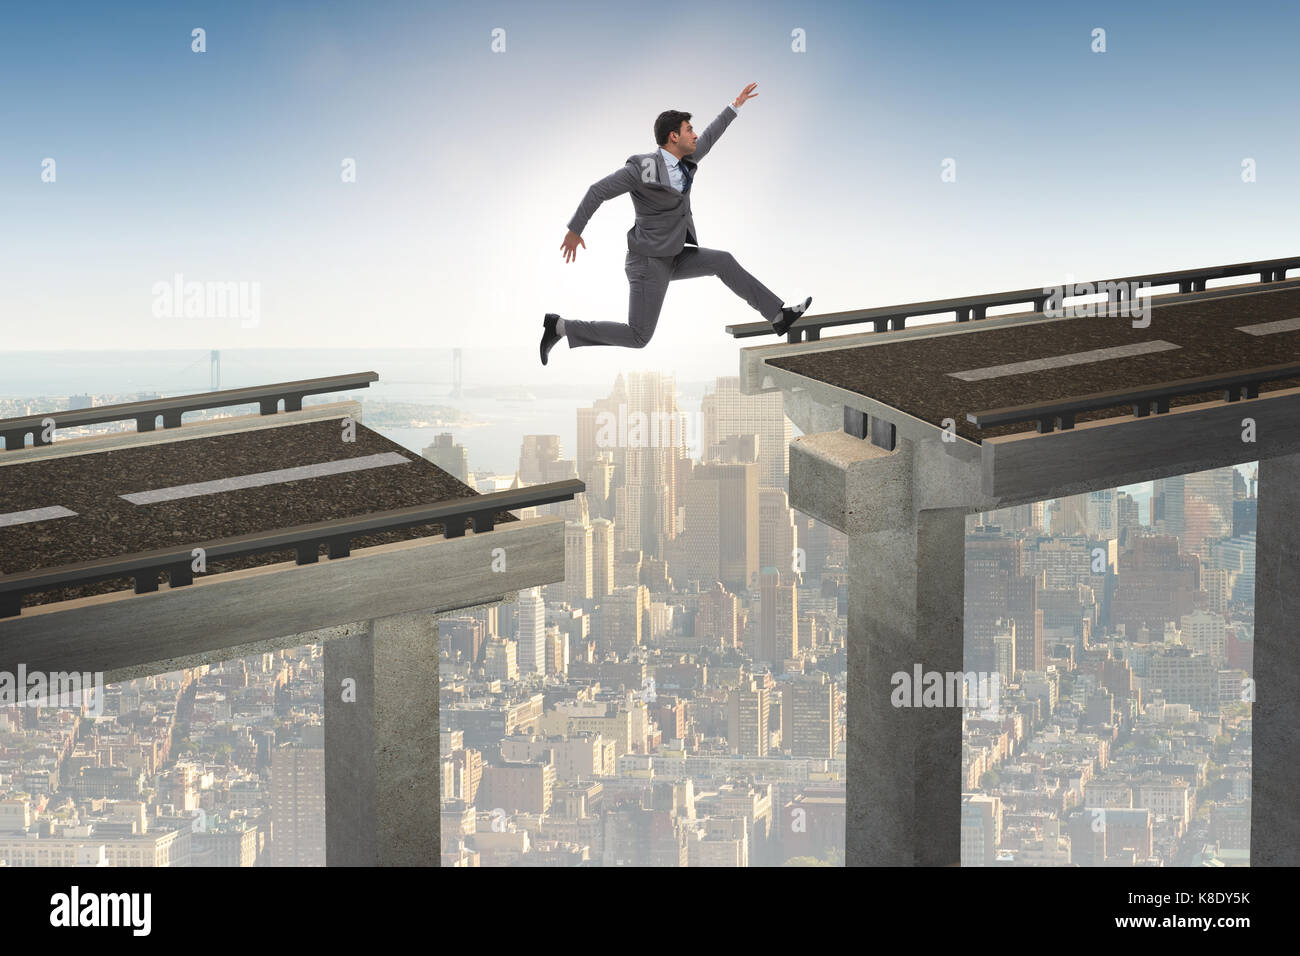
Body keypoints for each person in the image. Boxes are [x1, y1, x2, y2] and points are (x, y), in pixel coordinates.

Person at [540, 82, 811, 365]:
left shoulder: (687, 158)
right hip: (647, 262)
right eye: (689, 130)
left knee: (723, 261)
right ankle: (559, 326)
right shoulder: (643, 168)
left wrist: (736, 105)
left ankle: (779, 316)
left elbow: (711, 134)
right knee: (638, 337)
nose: (695, 135)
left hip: (674, 253)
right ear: (673, 136)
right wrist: (574, 230)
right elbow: (598, 191)